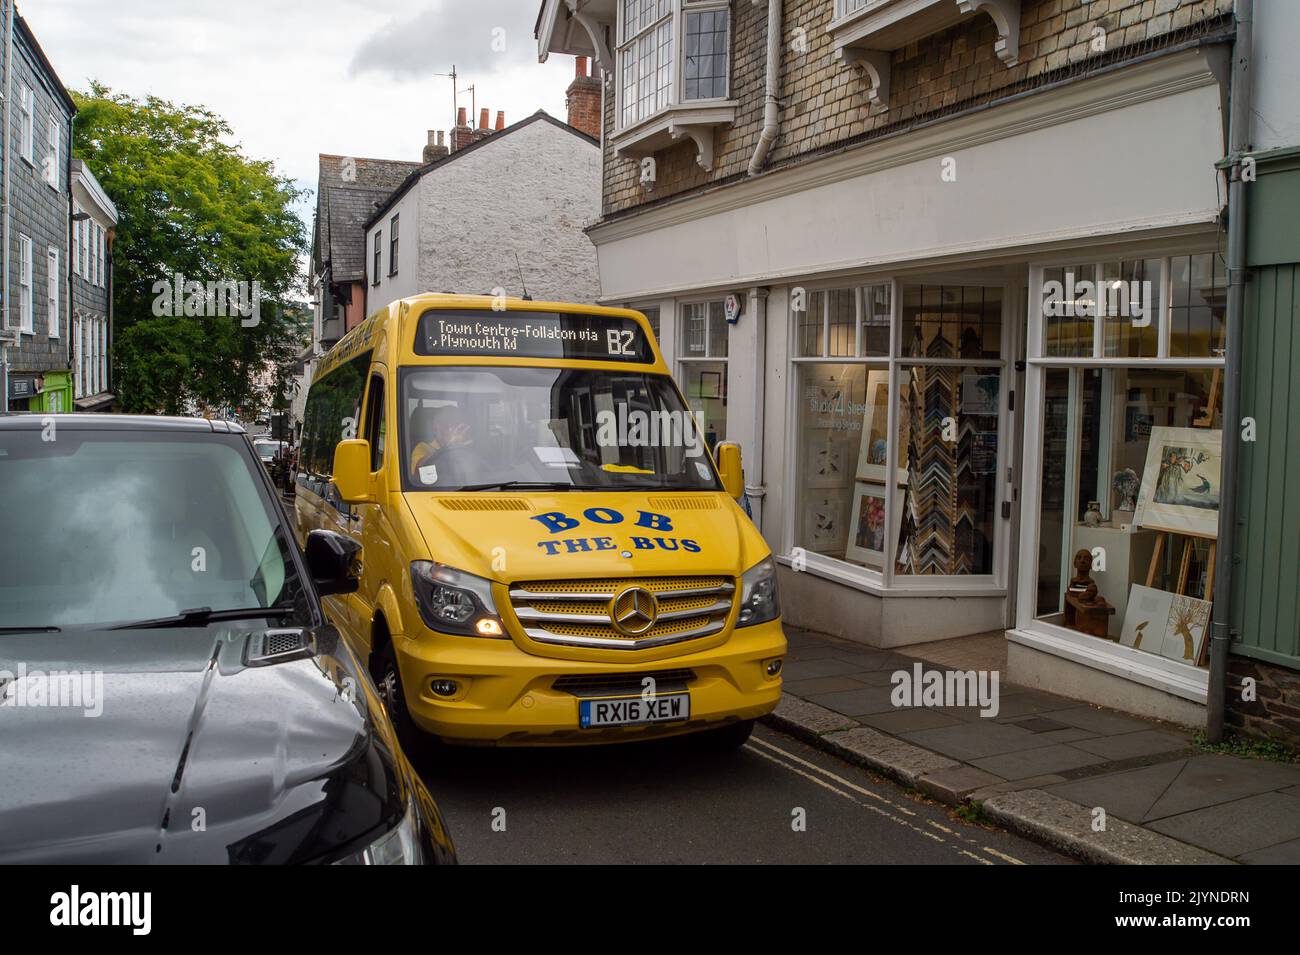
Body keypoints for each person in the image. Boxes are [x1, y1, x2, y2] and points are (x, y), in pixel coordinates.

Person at [409, 406, 478, 484]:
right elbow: (419, 472)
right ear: (436, 428)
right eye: (450, 424)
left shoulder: (469, 447)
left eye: (459, 425)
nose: (456, 430)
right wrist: (451, 445)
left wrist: (468, 448)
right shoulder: (423, 448)